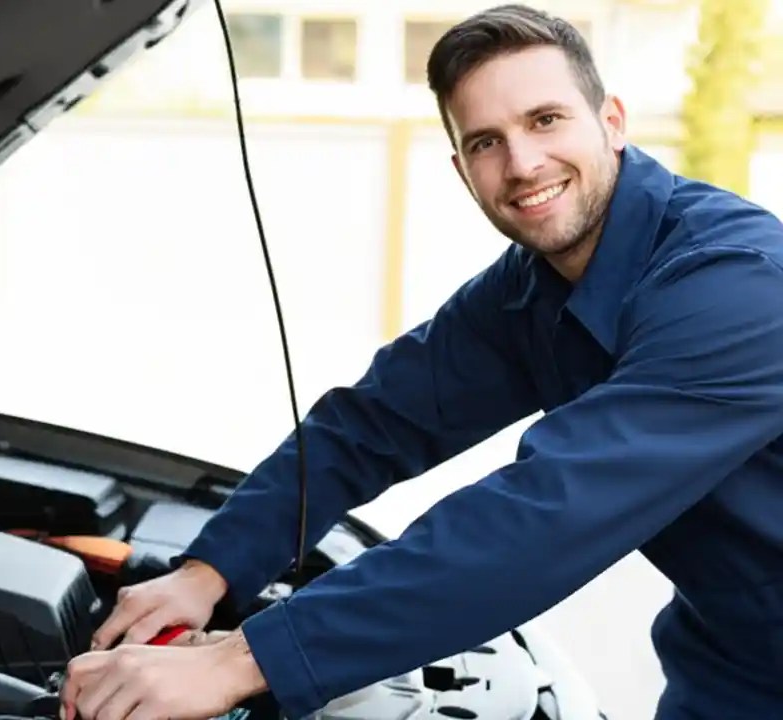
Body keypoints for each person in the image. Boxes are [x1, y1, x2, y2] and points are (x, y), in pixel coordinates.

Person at [59, 4, 783, 719]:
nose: (523, 163)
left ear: (613, 121)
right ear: (461, 167)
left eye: (545, 120)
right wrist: (209, 571)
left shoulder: (738, 286)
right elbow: (374, 422)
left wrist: (241, 661)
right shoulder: (536, 286)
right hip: (733, 663)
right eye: (485, 142)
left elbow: (545, 514)